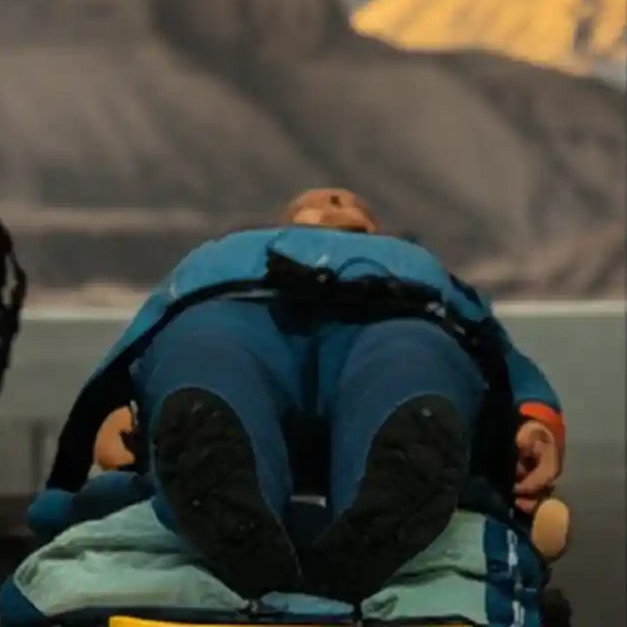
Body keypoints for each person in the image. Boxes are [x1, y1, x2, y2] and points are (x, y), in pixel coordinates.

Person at [44, 189, 565, 603]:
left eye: (349, 200)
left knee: (412, 371)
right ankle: (237, 499)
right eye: (321, 198)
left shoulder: (426, 275)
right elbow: (151, 337)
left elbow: (500, 358)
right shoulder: (229, 259)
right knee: (209, 361)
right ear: (285, 222)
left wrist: (534, 424)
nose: (336, 199)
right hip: (241, 314)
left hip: (395, 320)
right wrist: (121, 414)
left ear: (376, 231)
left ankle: (372, 511)